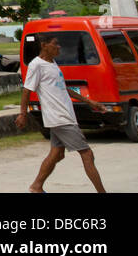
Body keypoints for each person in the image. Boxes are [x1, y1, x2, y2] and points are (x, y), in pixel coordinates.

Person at [16, 34, 106, 193]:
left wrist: (89, 101)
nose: (59, 47)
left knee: (57, 154)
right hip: (60, 118)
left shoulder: (52, 63)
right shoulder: (36, 65)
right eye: (55, 44)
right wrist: (23, 113)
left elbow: (63, 87)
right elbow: (27, 90)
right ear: (44, 45)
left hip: (63, 115)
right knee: (87, 154)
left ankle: (37, 186)